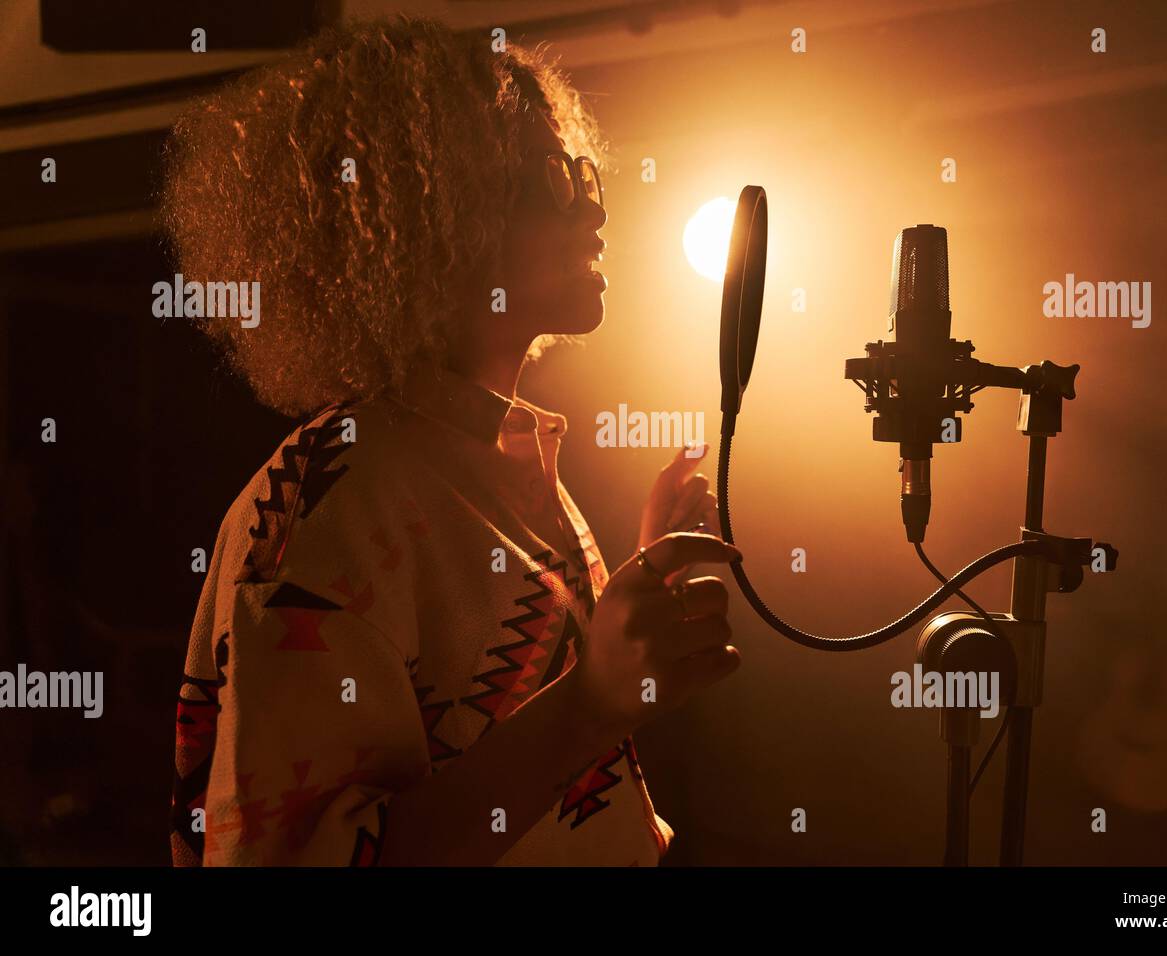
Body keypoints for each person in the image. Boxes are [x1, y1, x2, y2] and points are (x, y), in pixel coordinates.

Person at [163, 16, 742, 866]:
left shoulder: (501, 461)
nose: (595, 203)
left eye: (584, 173)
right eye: (553, 178)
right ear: (430, 208)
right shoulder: (321, 511)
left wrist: (630, 604)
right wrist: (590, 700)